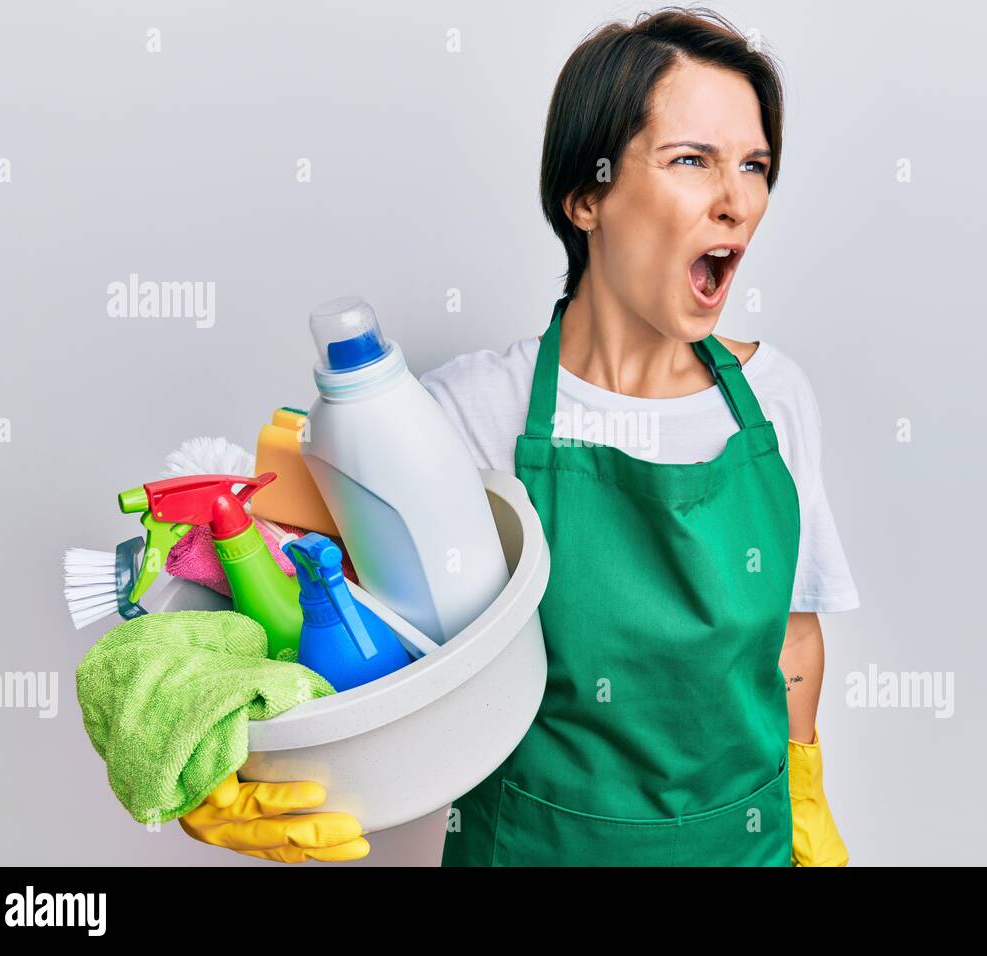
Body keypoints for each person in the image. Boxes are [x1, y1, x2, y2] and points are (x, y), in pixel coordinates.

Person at [180, 6, 859, 866]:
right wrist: (217, 754)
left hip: (742, 847)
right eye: (692, 160)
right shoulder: (468, 414)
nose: (736, 202)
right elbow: (309, 617)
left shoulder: (774, 399)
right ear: (588, 196)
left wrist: (804, 797)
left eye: (755, 166)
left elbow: (793, 637)